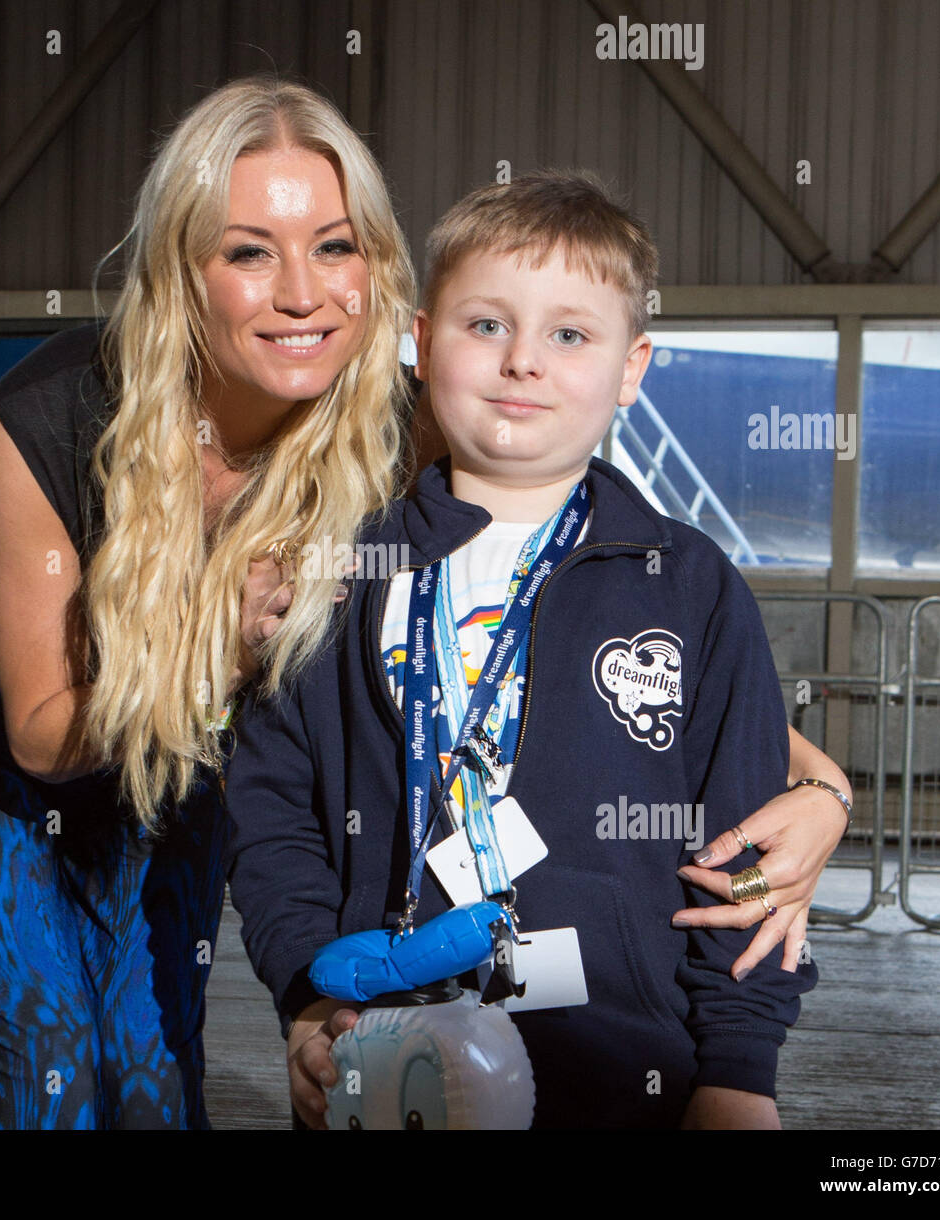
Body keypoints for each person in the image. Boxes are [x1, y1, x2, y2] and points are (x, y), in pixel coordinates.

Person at [0, 74, 848, 1130]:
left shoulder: (404, 415)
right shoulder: (55, 408)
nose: (302, 292)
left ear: (375, 266)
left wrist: (824, 789)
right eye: (249, 250)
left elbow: (602, 650)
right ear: (183, 270)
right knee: (48, 1043)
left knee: (149, 1064)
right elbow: (46, 735)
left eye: (332, 246)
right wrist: (225, 646)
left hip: (191, 733)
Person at [224, 170, 850, 1129]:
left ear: (631, 367)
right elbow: (272, 816)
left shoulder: (689, 584)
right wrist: (310, 999)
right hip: (387, 1069)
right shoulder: (340, 571)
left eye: (570, 334)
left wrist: (738, 1073)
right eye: (486, 326)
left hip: (629, 1076)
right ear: (423, 342)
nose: (523, 361)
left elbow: (741, 850)